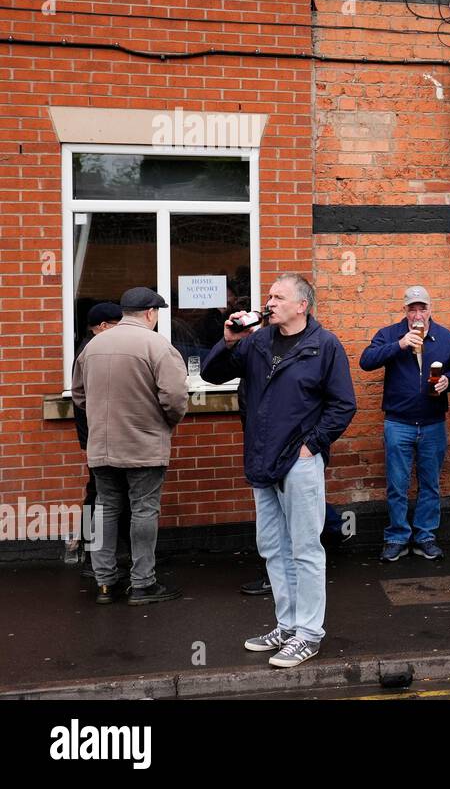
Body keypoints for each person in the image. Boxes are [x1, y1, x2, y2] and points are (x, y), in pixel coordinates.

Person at [202, 274, 357, 668]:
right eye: (268, 295)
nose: (268, 302)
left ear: (302, 305)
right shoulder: (256, 342)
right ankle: (287, 625)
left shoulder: (324, 346)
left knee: (305, 549)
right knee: (273, 548)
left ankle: (309, 634)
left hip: (299, 462)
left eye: (277, 296)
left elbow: (343, 405)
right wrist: (229, 340)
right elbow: (211, 374)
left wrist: (311, 446)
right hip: (261, 458)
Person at [71, 288, 188, 606]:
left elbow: (79, 395)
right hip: (144, 443)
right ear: (150, 313)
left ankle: (104, 583)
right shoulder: (159, 346)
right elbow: (176, 398)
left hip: (102, 445)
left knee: (105, 510)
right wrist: (166, 421)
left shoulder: (93, 346)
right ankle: (142, 584)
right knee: (144, 511)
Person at [359, 285, 450, 563]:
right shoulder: (389, 334)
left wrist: (448, 381)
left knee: (430, 484)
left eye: (422, 308)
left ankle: (425, 537)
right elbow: (366, 361)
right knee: (397, 484)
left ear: (431, 309)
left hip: (432, 423)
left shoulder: (444, 337)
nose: (417, 313)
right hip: (399, 422)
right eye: (412, 308)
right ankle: (396, 537)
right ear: (404, 310)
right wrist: (401, 344)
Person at [70, 302, 123, 569]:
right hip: (97, 436)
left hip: (94, 436)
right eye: (118, 325)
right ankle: (92, 556)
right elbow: (83, 402)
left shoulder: (89, 349)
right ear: (103, 327)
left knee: (100, 493)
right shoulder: (91, 352)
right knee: (100, 495)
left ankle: (92, 552)